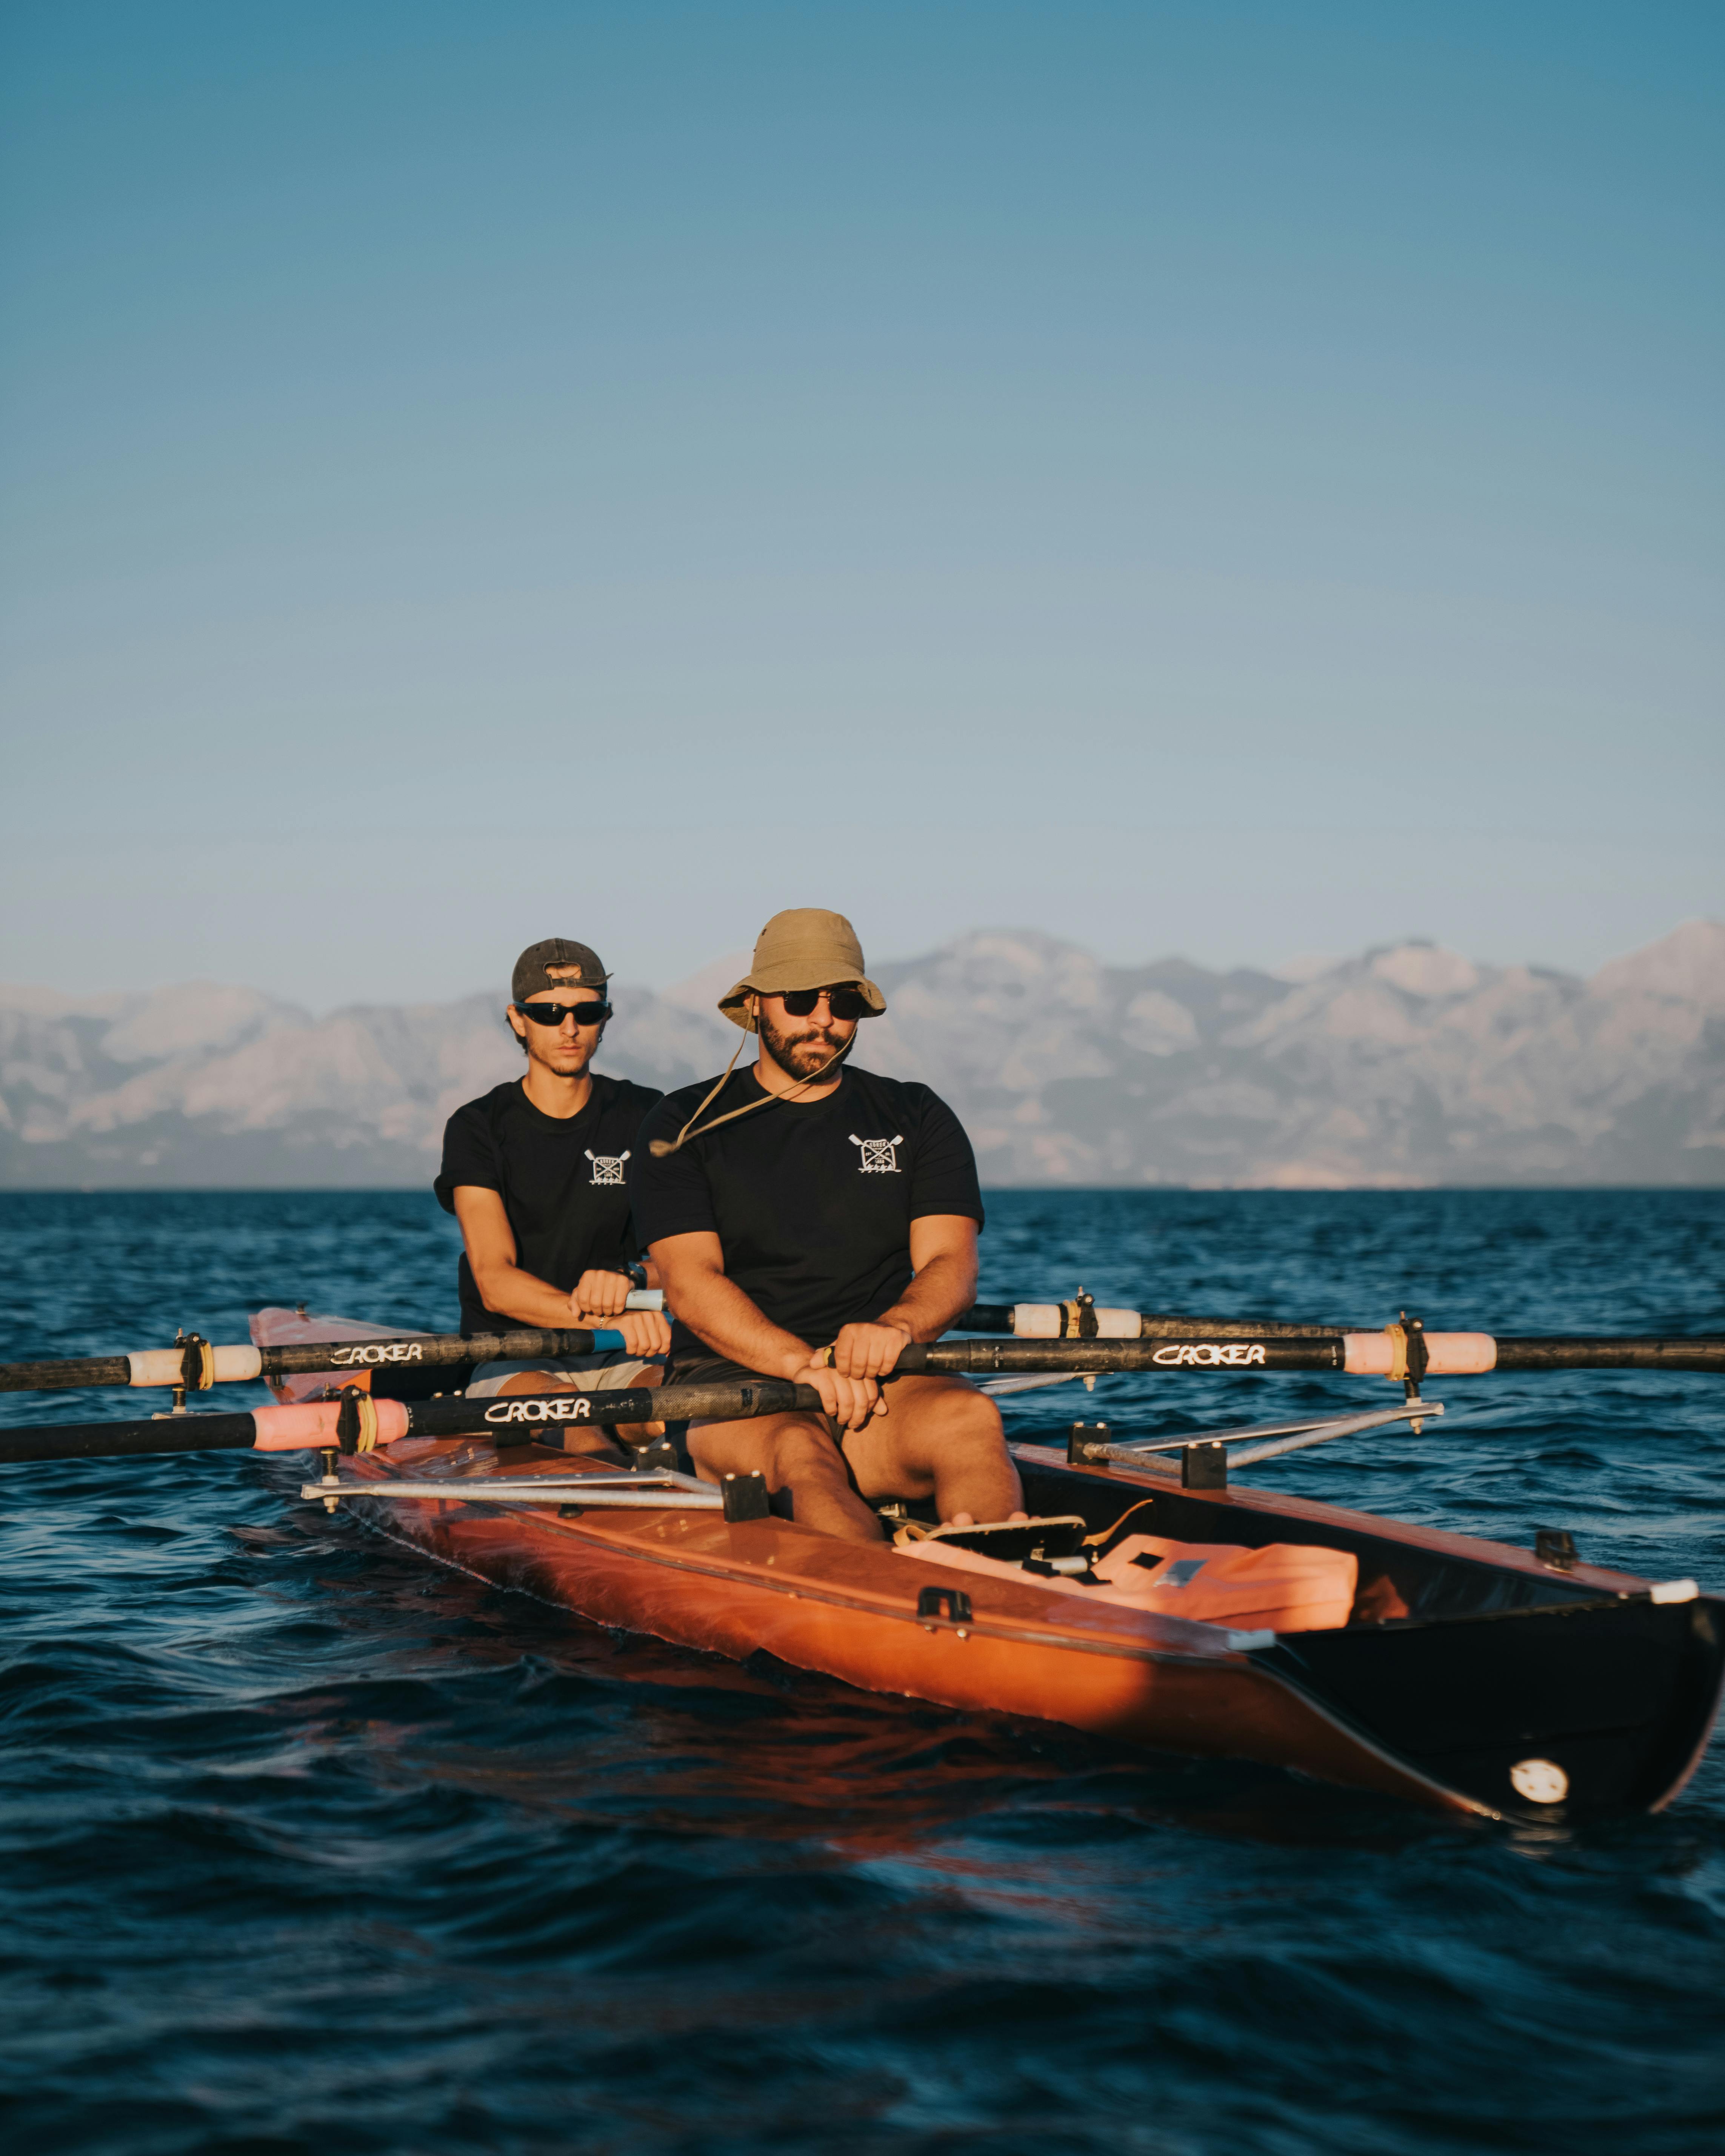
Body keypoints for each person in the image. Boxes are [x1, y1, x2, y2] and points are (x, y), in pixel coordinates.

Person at [632, 908, 1025, 1541]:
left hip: (882, 1383)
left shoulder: (918, 1114)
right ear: (757, 1005)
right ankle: (888, 1611)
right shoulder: (682, 1123)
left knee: (970, 1416)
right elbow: (689, 1283)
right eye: (799, 998)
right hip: (736, 1386)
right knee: (800, 1454)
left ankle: (1005, 1583)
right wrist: (802, 1365)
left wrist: (898, 1326)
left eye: (841, 1000)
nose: (822, 1018)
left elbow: (951, 1265)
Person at [435, 938, 670, 1449]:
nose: (569, 1027)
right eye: (549, 1012)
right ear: (518, 1019)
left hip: (622, 1354)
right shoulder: (478, 1127)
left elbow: (690, 1256)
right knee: (581, 1427)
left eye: (586, 1011)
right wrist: (612, 1315)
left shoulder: (650, 1116)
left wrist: (634, 1278)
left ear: (605, 1018)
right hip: (516, 1353)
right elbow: (495, 1281)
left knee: (678, 1415)